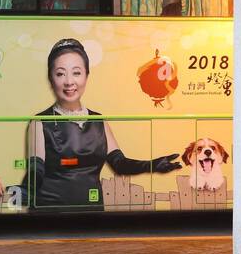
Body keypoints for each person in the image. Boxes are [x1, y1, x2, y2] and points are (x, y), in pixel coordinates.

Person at [21, 38, 181, 210]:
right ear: (50, 79)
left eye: (76, 73)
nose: (69, 82)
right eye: (60, 73)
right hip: (50, 215)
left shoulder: (99, 120)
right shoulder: (39, 122)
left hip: (92, 213)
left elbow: (120, 164)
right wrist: (24, 190)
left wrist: (151, 165)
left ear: (86, 76)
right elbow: (35, 170)